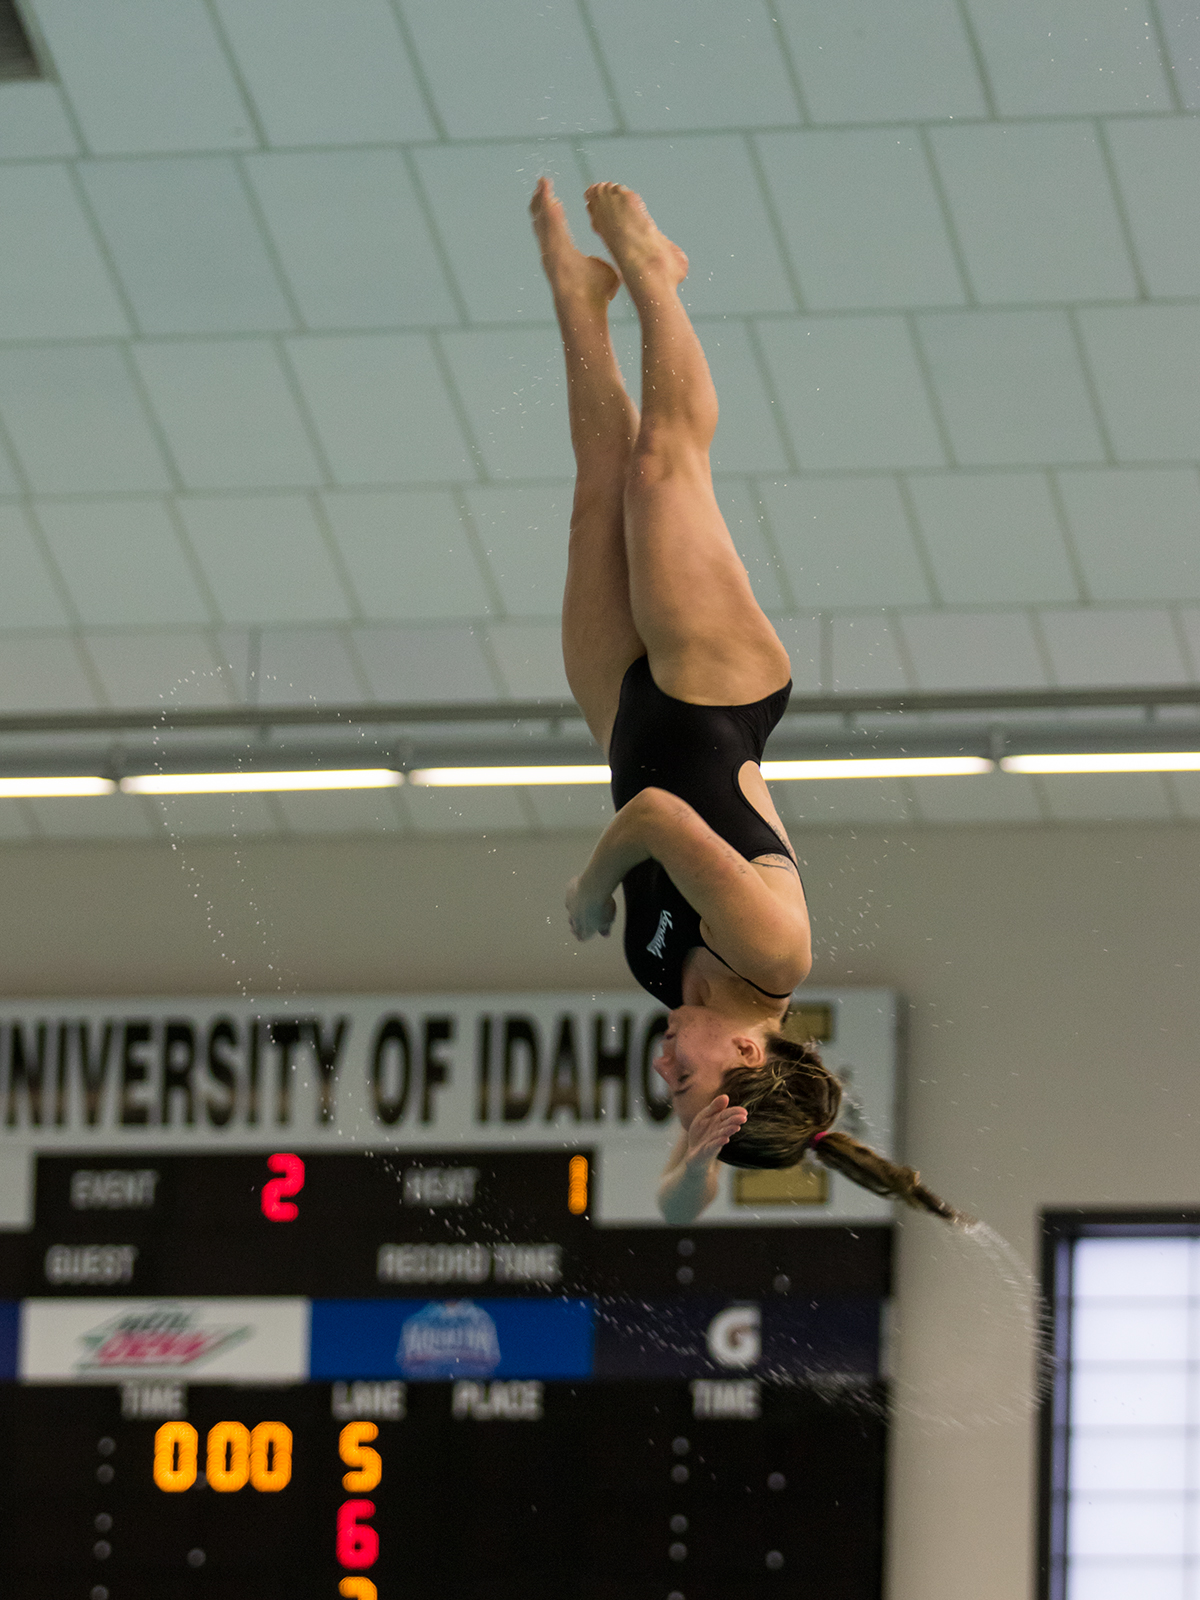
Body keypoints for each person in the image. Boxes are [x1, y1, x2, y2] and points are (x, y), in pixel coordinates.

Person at [532, 179, 962, 1228]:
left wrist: (688, 1179)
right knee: (661, 468)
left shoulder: (672, 992)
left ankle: (577, 297)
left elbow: (681, 1201)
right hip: (719, 687)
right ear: (749, 1048)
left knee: (598, 487)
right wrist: (592, 888)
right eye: (685, 1080)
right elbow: (658, 821)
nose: (665, 1065)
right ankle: (652, 272)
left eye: (668, 1088)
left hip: (628, 719)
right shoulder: (771, 953)